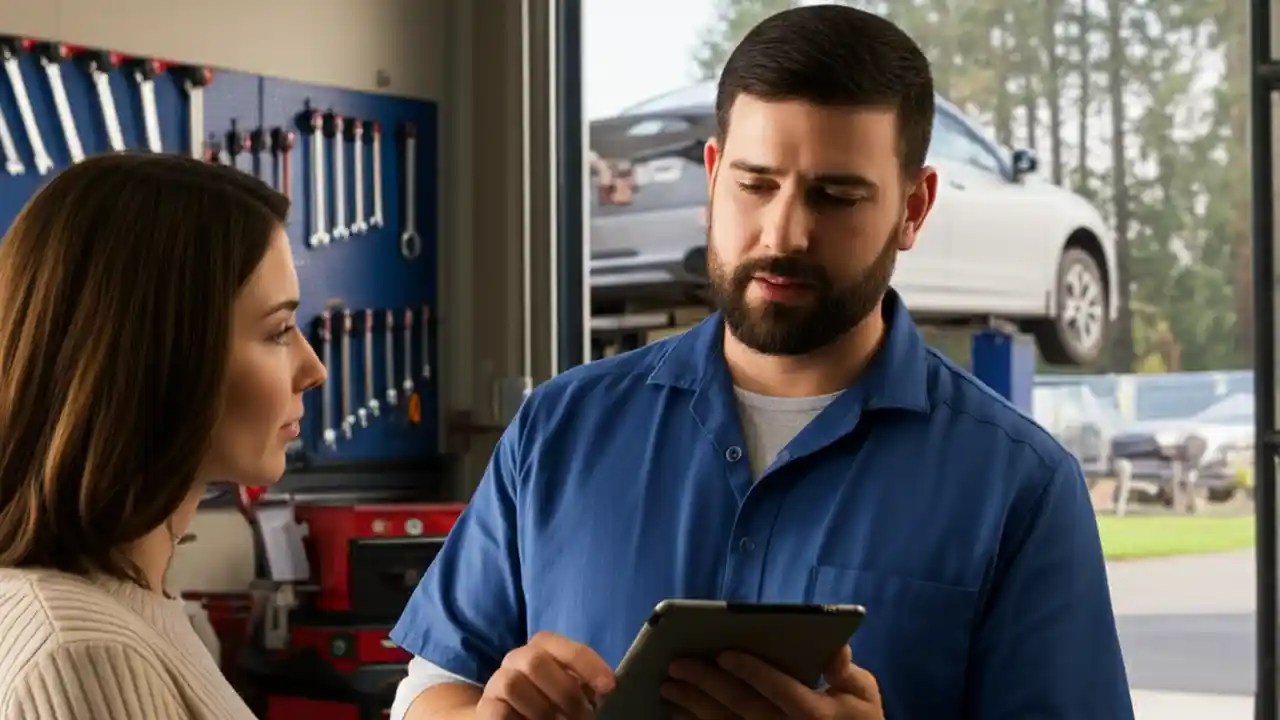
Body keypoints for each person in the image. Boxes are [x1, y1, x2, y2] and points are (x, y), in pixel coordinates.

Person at [390, 6, 1133, 719]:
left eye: (836, 196)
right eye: (755, 185)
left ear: (914, 208)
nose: (784, 233)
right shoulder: (557, 429)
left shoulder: (1018, 487)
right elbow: (427, 688)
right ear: (712, 174)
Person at [0, 153, 327, 719]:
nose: (313, 368)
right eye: (278, 331)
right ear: (160, 357)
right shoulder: (87, 655)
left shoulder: (120, 616)